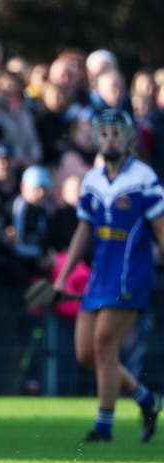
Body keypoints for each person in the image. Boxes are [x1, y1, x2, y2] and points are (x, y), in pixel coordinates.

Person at [53, 109, 164, 443]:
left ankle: (103, 427)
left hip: (131, 276)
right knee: (87, 354)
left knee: (104, 344)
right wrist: (63, 276)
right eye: (105, 133)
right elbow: (84, 230)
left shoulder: (143, 177)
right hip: (99, 276)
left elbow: (160, 228)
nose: (111, 139)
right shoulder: (92, 180)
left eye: (117, 133)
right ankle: (146, 398)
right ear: (97, 138)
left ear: (128, 138)